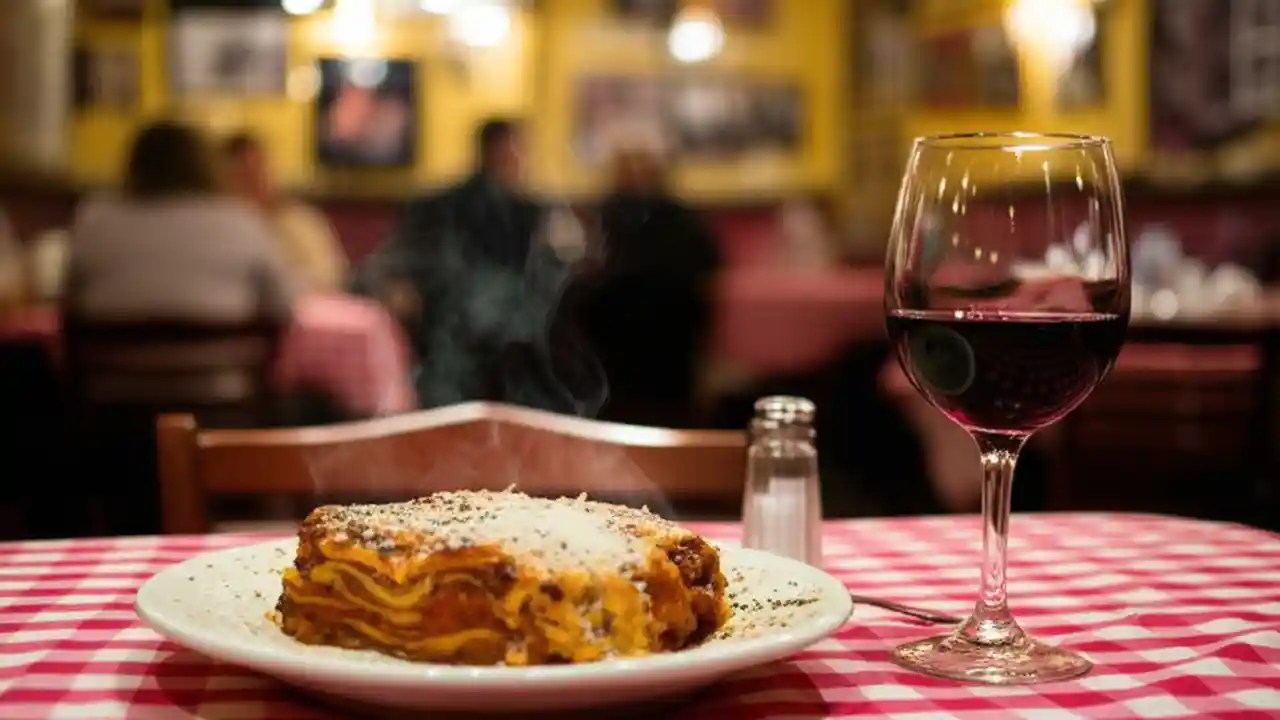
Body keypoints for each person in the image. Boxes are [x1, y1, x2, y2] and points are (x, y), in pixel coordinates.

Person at [356, 118, 601, 413]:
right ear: (494, 151)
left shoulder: (538, 213)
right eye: (515, 151)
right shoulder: (444, 207)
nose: (520, 161)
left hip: (508, 342)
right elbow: (385, 266)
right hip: (461, 341)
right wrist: (393, 287)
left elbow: (567, 264)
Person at [65, 120, 296, 325]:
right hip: (221, 372)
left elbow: (70, 305)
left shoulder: (94, 222)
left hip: (109, 373)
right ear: (206, 167)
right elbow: (282, 307)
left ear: (133, 166)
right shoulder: (243, 223)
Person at [578, 147, 722, 426]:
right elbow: (710, 265)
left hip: (620, 367)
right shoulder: (680, 218)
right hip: (667, 362)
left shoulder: (601, 217)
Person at [221, 132, 348, 292]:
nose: (257, 182)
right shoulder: (218, 231)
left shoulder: (300, 221)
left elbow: (329, 277)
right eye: (244, 176)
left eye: (259, 171)